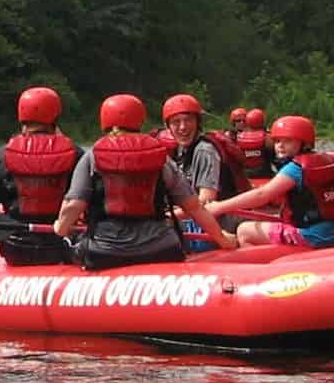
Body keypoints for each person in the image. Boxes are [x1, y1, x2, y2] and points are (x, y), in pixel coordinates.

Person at [53, 94, 235, 269]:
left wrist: (60, 228)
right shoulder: (160, 157)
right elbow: (194, 207)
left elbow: (73, 205)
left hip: (105, 251)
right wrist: (223, 239)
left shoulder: (93, 156)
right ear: (139, 121)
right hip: (161, 249)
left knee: (71, 244)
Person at [207, 115, 334, 248]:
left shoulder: (294, 169)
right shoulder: (328, 159)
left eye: (288, 141)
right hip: (327, 231)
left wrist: (219, 206)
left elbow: (262, 195)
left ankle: (268, 267)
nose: (280, 146)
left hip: (312, 236)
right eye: (278, 141)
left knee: (244, 231)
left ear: (305, 143)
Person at [0, 86, 79, 221]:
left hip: (13, 239)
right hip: (62, 239)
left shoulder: (1, 156)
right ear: (56, 117)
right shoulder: (77, 155)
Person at [159, 94, 229, 207]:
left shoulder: (205, 151)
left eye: (188, 120)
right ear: (168, 127)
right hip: (192, 214)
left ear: (198, 123)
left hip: (217, 218)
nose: (182, 127)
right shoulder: (178, 150)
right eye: (176, 122)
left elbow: (206, 201)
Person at [237, 108, 276, 181]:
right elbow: (274, 154)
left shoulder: (238, 137)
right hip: (265, 174)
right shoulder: (267, 137)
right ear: (262, 121)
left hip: (246, 174)